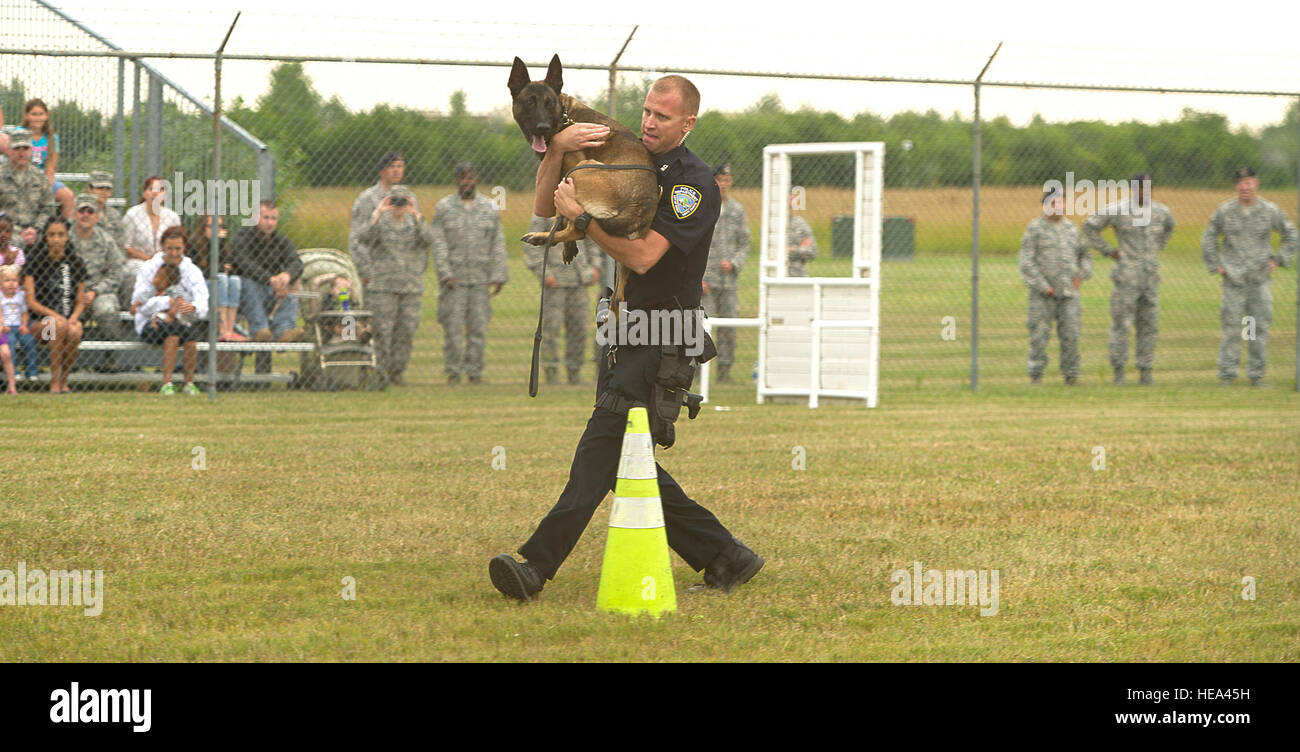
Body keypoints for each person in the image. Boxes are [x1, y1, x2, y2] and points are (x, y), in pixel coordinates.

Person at [488, 74, 764, 602]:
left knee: (598, 448)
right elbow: (547, 206)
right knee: (621, 461)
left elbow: (642, 256)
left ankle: (534, 565)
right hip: (623, 328)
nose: (649, 122)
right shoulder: (626, 151)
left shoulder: (692, 183)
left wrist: (583, 223)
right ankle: (727, 555)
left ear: (688, 122)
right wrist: (558, 148)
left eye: (663, 116)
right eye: (646, 112)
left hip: (664, 332)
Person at [1201, 167, 1298, 387]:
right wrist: (1216, 265)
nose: (1245, 187)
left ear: (1256, 184)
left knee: (1255, 328)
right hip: (1234, 281)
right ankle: (1227, 374)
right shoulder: (1225, 211)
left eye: (1249, 182)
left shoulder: (1269, 210)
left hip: (1258, 280)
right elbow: (1209, 237)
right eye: (1241, 183)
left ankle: (1256, 375)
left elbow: (1291, 234)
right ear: (1236, 186)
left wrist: (1278, 260)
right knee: (1232, 328)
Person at [1082, 173, 1175, 386]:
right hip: (1126, 277)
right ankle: (1119, 372)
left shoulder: (1161, 212)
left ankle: (1145, 371)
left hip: (1150, 277)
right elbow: (1090, 226)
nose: (1144, 192)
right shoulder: (1118, 210)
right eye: (1140, 188)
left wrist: (1158, 247)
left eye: (1148, 188)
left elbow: (1169, 227)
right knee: (1121, 325)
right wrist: (1109, 251)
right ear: (1132, 190)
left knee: (1149, 325)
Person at [430, 162, 507, 384]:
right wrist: (445, 274)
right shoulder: (444, 208)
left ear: (476, 180)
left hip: (480, 278)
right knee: (452, 329)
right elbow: (439, 243)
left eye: (471, 178)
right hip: (454, 279)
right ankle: (453, 371)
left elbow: (498, 243)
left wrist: (499, 274)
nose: (467, 182)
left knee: (478, 329)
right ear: (456, 181)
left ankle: (475, 372)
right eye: (462, 178)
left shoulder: (489, 208)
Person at [354, 184, 435, 385]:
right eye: (395, 201)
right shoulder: (380, 223)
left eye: (403, 201)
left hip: (410, 285)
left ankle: (397, 372)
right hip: (383, 285)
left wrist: (417, 215)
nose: (399, 205)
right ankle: (380, 372)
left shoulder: (415, 223)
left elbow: (429, 239)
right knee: (382, 330)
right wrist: (377, 214)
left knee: (406, 330)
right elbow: (362, 238)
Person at [1019, 187, 1092, 386]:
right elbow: (1026, 263)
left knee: (1071, 335)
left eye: (1061, 202)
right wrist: (1043, 286)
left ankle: (1071, 376)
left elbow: (1085, 257)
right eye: (1054, 203)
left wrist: (1081, 276)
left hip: (1069, 294)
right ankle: (1036, 376)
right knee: (1039, 336)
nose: (1058, 207)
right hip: (1043, 295)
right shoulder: (1035, 229)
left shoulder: (1072, 230)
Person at [130, 225, 208, 395]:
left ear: (185, 248)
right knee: (173, 334)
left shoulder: (192, 271)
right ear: (162, 247)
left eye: (178, 248)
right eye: (170, 248)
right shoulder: (149, 268)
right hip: (150, 322)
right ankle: (167, 383)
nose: (174, 253)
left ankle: (189, 383)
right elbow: (139, 305)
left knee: (190, 338)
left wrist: (192, 306)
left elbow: (203, 300)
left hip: (181, 319)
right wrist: (167, 302)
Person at [523, 214, 601, 385]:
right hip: (555, 282)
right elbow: (533, 245)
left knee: (579, 329)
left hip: (579, 280)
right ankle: (551, 373)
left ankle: (574, 373)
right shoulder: (545, 212)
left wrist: (594, 266)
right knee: (551, 330)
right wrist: (545, 274)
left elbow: (592, 239)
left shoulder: (581, 208)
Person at [22, 217, 88, 393]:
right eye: (52, 235)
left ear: (67, 237)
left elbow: (81, 300)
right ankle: (54, 381)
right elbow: (31, 302)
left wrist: (73, 318)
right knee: (56, 325)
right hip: (40, 325)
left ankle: (64, 380)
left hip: (66, 321)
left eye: (61, 235)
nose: (56, 239)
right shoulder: (35, 263)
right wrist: (54, 315)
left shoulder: (76, 263)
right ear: (46, 238)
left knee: (75, 330)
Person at [701, 162, 750, 382]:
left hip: (728, 281)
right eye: (719, 180)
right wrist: (698, 277)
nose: (723, 184)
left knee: (729, 327)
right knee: (701, 328)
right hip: (706, 282)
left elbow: (745, 243)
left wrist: (735, 263)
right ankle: (695, 373)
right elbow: (691, 243)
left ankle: (724, 373)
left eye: (726, 180)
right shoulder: (702, 207)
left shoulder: (737, 211)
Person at [229, 200, 303, 343]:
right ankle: (260, 330)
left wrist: (285, 277)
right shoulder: (242, 237)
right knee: (246, 281)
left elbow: (297, 263)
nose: (270, 223)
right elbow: (244, 263)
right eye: (266, 218)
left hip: (272, 293)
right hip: (245, 297)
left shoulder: (280, 241)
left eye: (273, 218)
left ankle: (284, 330)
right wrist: (270, 279)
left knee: (295, 280)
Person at [70, 193, 125, 346]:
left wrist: (96, 291)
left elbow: (116, 273)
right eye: (82, 211)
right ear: (75, 215)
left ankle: (109, 354)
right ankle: (62, 355)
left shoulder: (107, 241)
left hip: (98, 292)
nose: (85, 215)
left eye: (90, 211)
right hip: (70, 292)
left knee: (107, 310)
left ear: (97, 217)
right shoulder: (65, 238)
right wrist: (76, 293)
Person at [121, 176, 182, 305]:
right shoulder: (132, 214)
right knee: (141, 270)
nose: (155, 193)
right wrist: (148, 258)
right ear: (144, 193)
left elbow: (178, 244)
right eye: (150, 189)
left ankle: (166, 307)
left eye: (159, 190)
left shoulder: (172, 217)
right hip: (138, 261)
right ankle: (139, 306)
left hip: (166, 262)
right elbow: (126, 246)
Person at [188, 214, 246, 342]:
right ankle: (222, 329)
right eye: (212, 226)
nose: (217, 230)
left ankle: (229, 330)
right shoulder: (193, 245)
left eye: (220, 226)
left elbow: (233, 269)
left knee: (235, 280)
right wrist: (221, 267)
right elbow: (202, 274)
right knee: (221, 278)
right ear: (203, 228)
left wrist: (220, 245)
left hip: (219, 288)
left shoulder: (221, 245)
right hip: (200, 290)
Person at [0, 127, 56, 249]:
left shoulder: (39, 177)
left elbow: (48, 208)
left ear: (31, 151)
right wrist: (14, 230)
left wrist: (35, 229)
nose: (21, 153)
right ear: (9, 151)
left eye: (25, 148)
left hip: (36, 230)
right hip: (7, 232)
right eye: (17, 148)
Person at [349, 150, 405, 272]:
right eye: (391, 166)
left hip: (403, 272)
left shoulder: (408, 198)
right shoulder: (368, 199)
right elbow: (356, 238)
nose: (396, 170)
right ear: (382, 171)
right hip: (376, 271)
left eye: (400, 166)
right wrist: (364, 269)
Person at [22, 99, 74, 220]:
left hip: (44, 179)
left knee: (68, 195)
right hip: (23, 178)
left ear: (46, 115)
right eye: (34, 114)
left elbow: (50, 169)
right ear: (26, 115)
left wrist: (46, 189)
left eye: (41, 114)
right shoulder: (20, 132)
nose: (37, 118)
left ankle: (69, 232)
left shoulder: (51, 137)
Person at [0, 264, 35, 390]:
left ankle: (32, 371)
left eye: (14, 280)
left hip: (19, 326)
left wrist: (24, 325)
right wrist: (3, 325)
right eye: (7, 280)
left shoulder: (21, 295)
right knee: (11, 343)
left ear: (19, 282)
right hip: (6, 328)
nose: (11, 284)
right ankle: (15, 372)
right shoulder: (0, 296)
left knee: (29, 341)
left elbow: (24, 313)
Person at [87, 170, 124, 247]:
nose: (104, 191)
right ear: (90, 189)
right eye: (100, 188)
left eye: (107, 188)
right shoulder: (80, 213)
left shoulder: (115, 215)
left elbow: (120, 244)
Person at [787, 192, 817, 277]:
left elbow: (812, 251)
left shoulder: (799, 224)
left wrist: (792, 249)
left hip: (798, 278)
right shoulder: (769, 226)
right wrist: (799, 249)